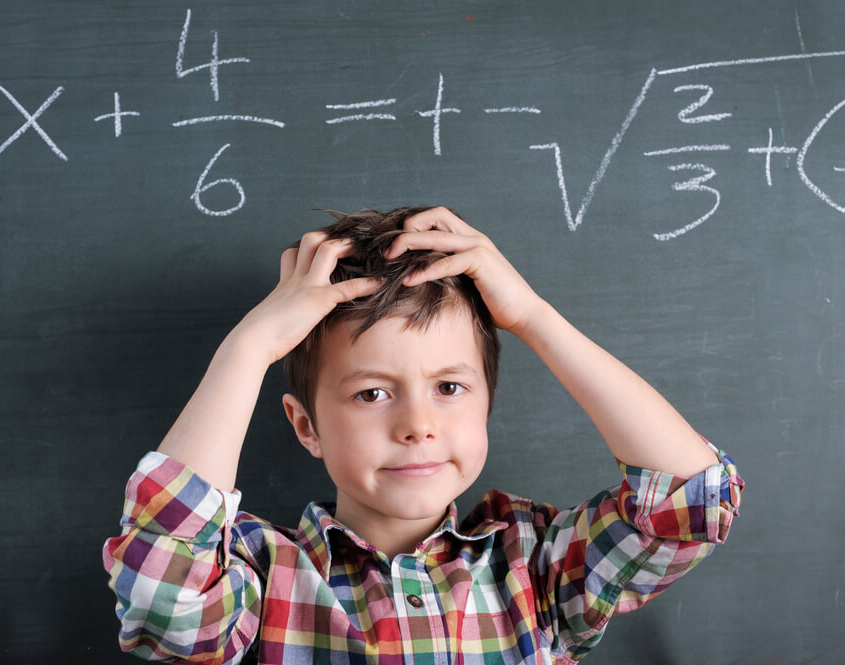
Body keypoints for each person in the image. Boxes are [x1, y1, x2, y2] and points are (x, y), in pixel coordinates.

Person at [102, 206, 743, 664]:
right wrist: (250, 348)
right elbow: (166, 600)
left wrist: (531, 317)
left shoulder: (535, 568)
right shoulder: (260, 582)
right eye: (371, 393)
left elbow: (687, 500)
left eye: (450, 387)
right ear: (306, 426)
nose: (417, 426)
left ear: (487, 405)